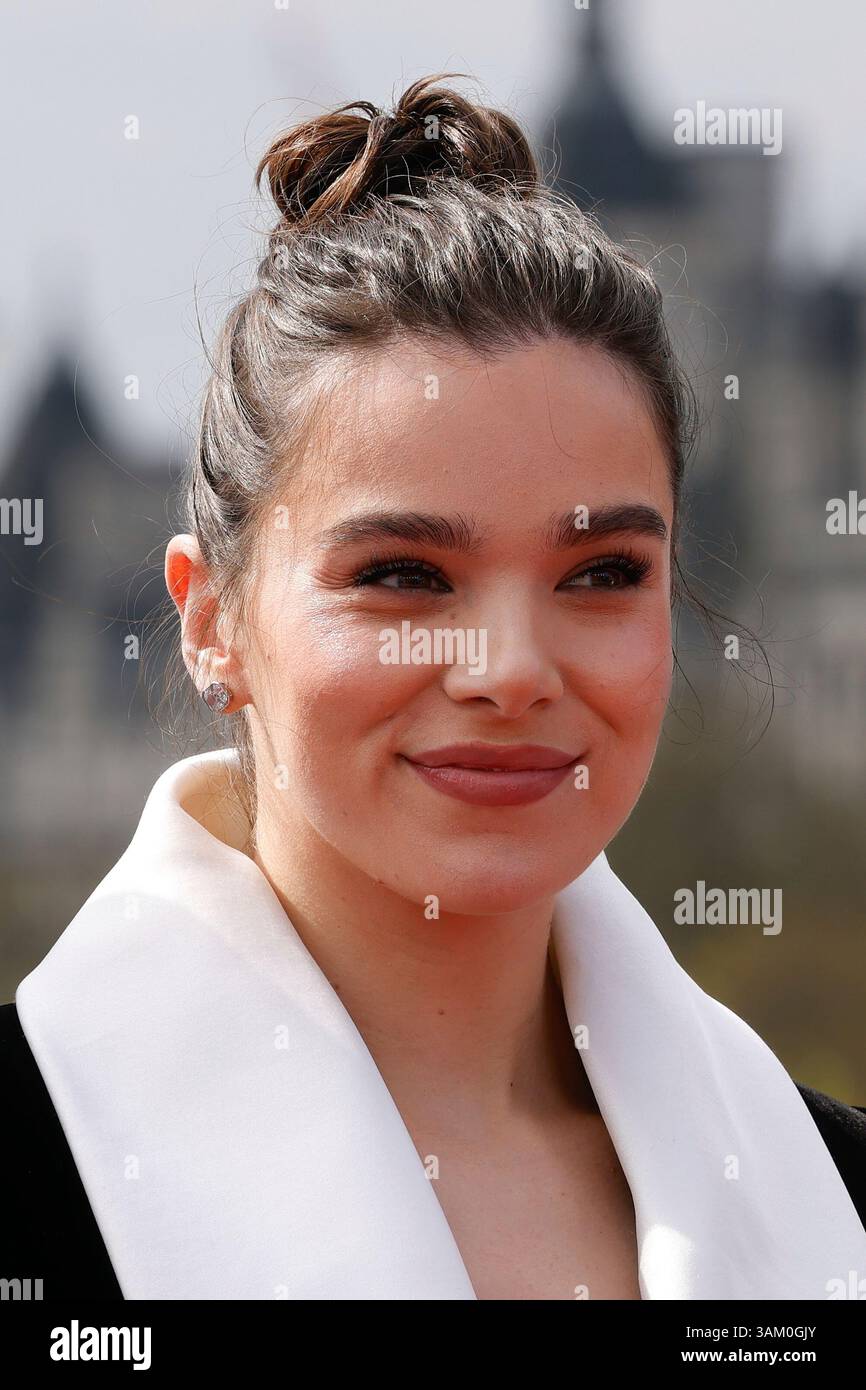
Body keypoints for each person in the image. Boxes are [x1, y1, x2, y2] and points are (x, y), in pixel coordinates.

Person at [3, 73, 866, 1302]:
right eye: (404, 574)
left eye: (601, 572)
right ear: (211, 622)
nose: (510, 670)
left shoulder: (830, 1193)